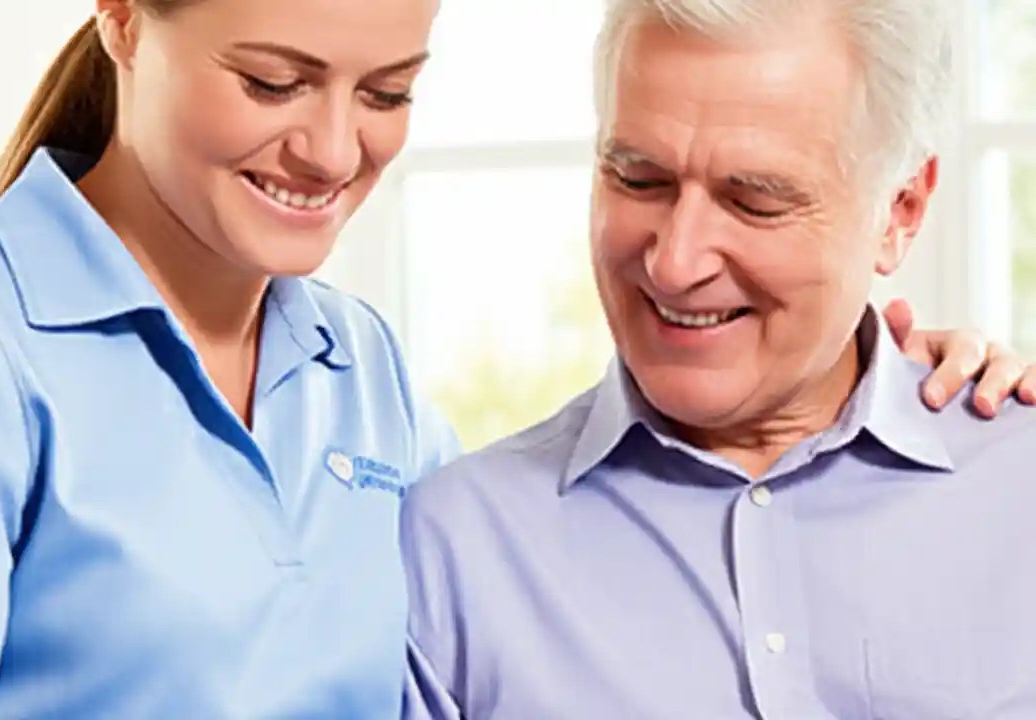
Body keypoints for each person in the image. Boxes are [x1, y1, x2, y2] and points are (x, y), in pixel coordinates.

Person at [0, 1, 1034, 718]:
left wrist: (904, 382)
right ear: (120, 17)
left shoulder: (359, 376)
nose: (332, 151)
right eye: (272, 81)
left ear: (898, 211)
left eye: (385, 94)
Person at [400, 1, 1036, 718]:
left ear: (900, 211)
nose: (674, 264)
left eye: (755, 201)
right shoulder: (456, 551)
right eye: (639, 180)